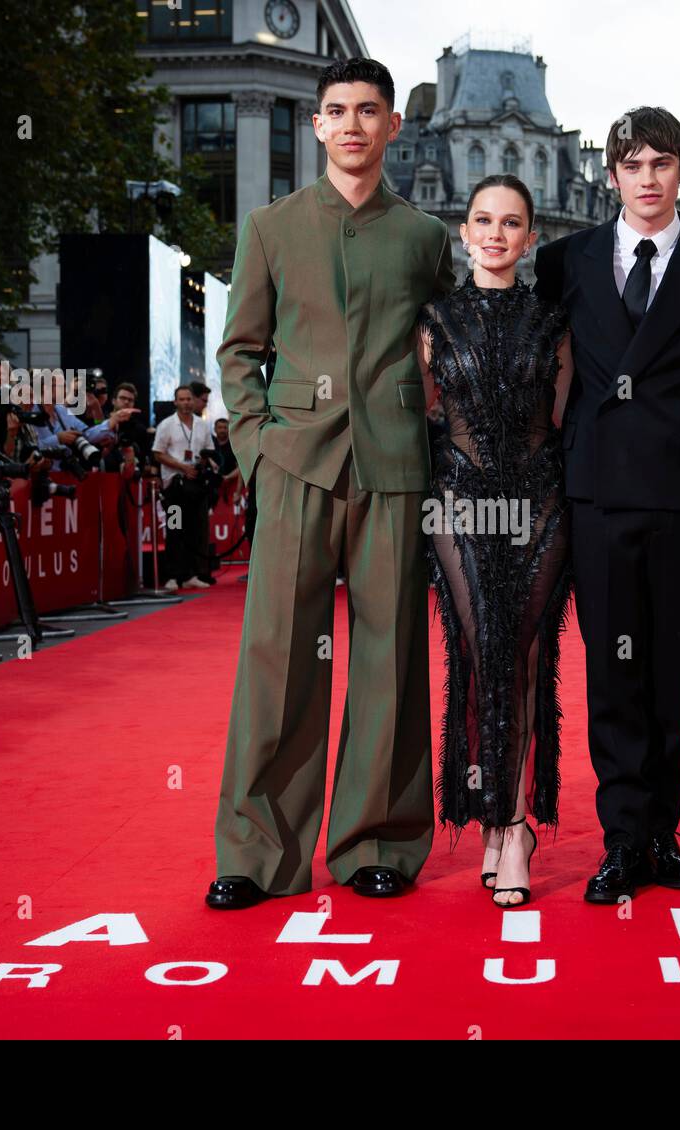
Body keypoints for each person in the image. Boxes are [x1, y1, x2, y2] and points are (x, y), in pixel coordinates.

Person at [207, 56, 455, 910]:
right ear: (317, 127)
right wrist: (257, 454)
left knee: (390, 658)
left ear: (391, 127)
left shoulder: (425, 238)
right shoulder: (270, 228)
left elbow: (447, 353)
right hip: (295, 468)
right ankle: (256, 852)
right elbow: (239, 353)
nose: (352, 124)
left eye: (369, 111)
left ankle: (376, 841)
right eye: (337, 111)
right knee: (277, 660)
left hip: (394, 467)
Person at [535, 105, 680, 903]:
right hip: (597, 492)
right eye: (633, 164)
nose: (648, 179)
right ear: (614, 175)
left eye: (662, 163)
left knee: (670, 668)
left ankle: (663, 835)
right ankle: (622, 842)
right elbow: (540, 372)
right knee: (613, 671)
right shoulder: (564, 262)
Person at [417, 174, 573, 907]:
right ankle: (489, 810)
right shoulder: (433, 320)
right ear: (464, 230)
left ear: (531, 238)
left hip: (540, 503)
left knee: (526, 655)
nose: (496, 233)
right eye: (484, 219)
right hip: (459, 505)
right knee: (480, 655)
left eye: (512, 223)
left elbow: (568, 419)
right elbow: (422, 418)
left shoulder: (554, 320)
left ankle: (513, 829)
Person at [152, 385, 216, 592]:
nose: (186, 403)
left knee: (196, 530)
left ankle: (193, 574)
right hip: (174, 487)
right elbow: (158, 453)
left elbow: (208, 451)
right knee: (174, 529)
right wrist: (182, 467)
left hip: (195, 487)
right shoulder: (166, 425)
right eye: (182, 399)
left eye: (189, 399)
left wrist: (203, 464)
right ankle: (172, 575)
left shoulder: (202, 425)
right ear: (175, 402)